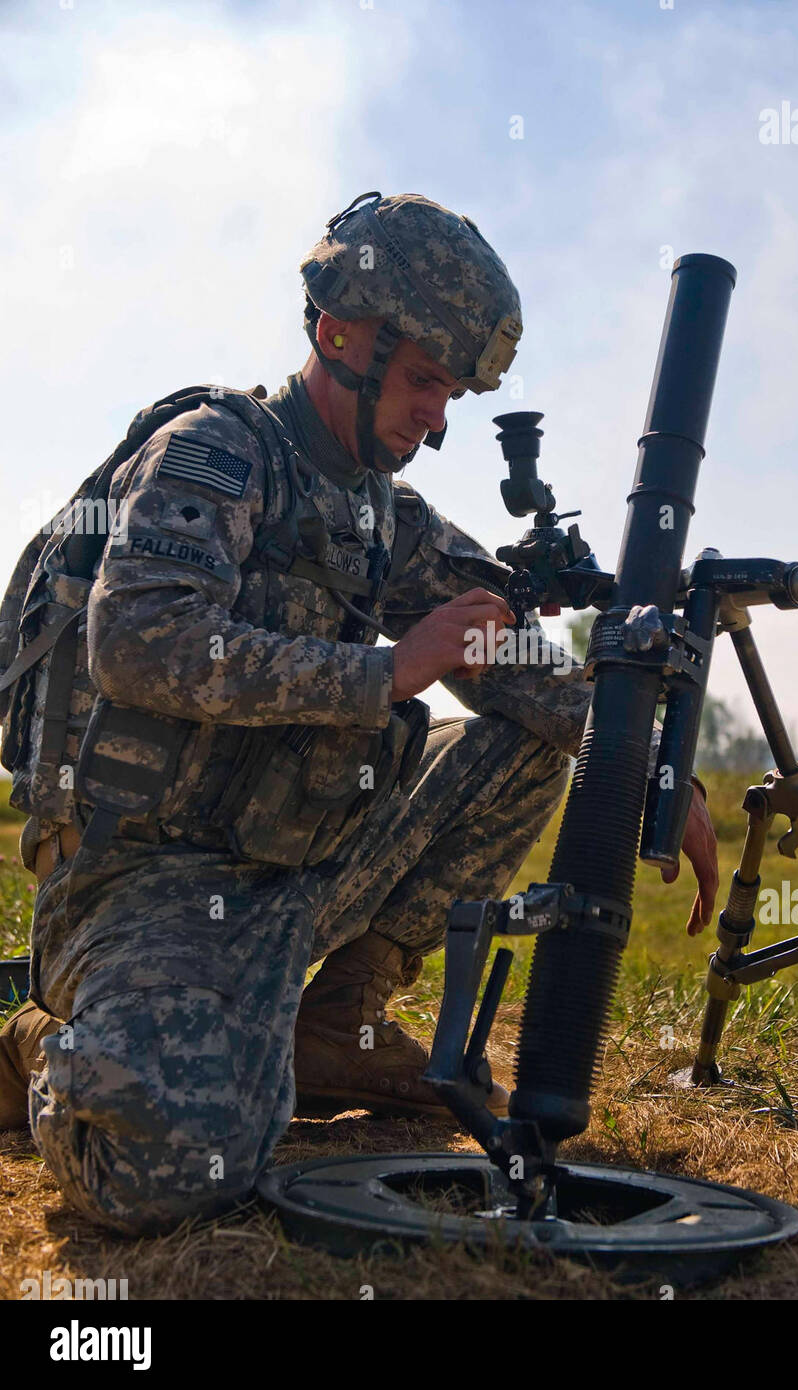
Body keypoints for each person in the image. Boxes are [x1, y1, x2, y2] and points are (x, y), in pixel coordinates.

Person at [0, 192, 718, 1235]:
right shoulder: (215, 452)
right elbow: (139, 643)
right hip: (141, 883)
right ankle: (31, 1034)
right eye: (424, 379)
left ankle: (335, 1024)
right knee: (161, 1177)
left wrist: (648, 764)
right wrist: (385, 672)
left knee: (517, 737)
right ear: (340, 337)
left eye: (451, 394)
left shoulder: (382, 510)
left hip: (297, 866)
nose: (435, 416)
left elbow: (511, 663)